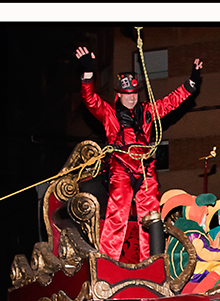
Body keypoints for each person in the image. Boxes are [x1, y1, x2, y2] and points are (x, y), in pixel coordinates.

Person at [75, 46, 204, 262]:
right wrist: (88, 73)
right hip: (121, 167)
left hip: (145, 169)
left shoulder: (146, 111)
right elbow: (90, 100)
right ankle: (107, 261)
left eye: (134, 94)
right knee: (118, 212)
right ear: (119, 94)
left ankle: (152, 261)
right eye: (127, 95)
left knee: (151, 216)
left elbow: (171, 102)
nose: (131, 98)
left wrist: (192, 82)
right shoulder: (110, 114)